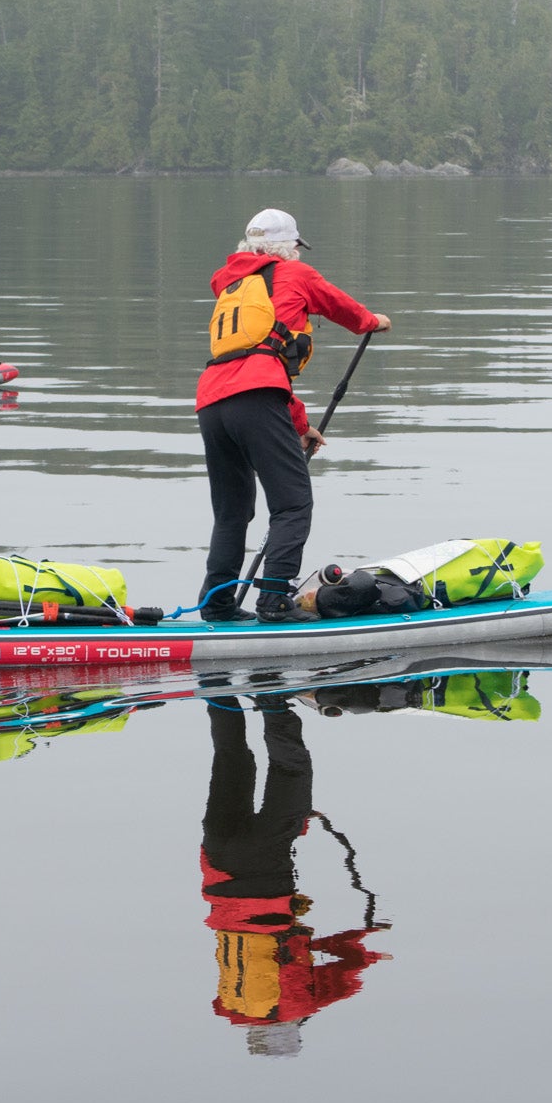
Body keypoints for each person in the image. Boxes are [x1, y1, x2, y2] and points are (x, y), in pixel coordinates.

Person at [195, 208, 390, 622]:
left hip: (212, 398)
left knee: (232, 511)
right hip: (257, 396)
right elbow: (346, 311)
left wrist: (302, 428)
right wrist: (374, 321)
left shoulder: (232, 284)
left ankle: (217, 604)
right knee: (293, 505)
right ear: (289, 247)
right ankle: (273, 601)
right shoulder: (294, 275)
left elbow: (258, 359)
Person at [200, 693, 390, 1056]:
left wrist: (369, 953)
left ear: (294, 1028)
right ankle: (216, 689)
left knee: (292, 770)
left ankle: (272, 700)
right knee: (231, 762)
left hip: (265, 871)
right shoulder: (232, 1000)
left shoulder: (298, 1006)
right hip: (219, 864)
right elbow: (272, 950)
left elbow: (345, 970)